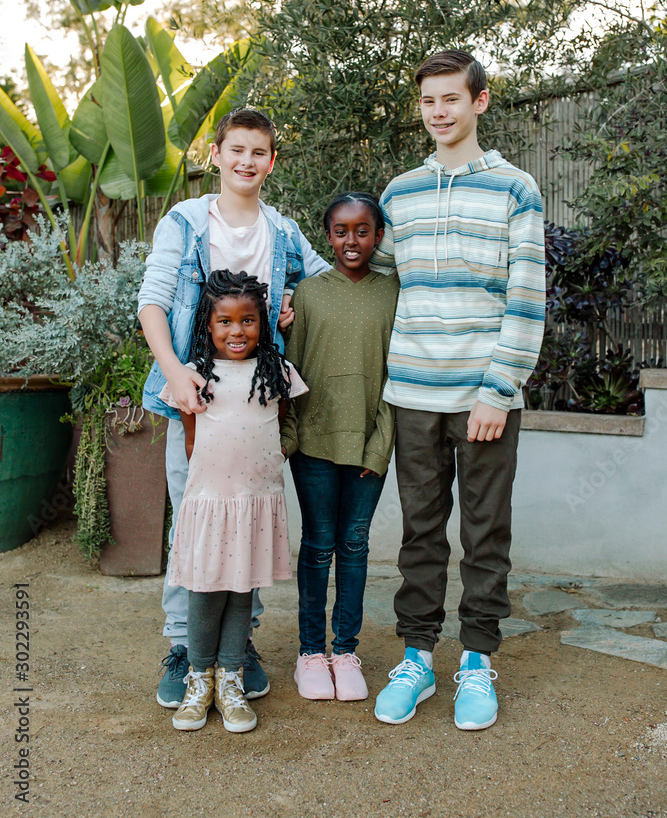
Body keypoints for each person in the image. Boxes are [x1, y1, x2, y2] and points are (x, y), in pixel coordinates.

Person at [371, 50, 545, 731]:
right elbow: (377, 280)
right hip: (411, 392)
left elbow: (526, 298)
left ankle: (476, 661)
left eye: (450, 98)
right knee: (418, 533)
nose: (437, 111)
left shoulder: (514, 189)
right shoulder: (399, 193)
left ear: (478, 101)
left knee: (484, 533)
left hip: (482, 399)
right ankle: (416, 658)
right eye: (427, 101)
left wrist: (497, 391)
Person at [138, 108, 328, 709]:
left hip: (258, 400)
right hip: (195, 398)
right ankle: (183, 647)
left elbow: (328, 280)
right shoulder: (186, 221)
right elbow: (153, 302)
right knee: (194, 523)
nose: (247, 161)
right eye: (236, 150)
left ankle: (237, 645)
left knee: (245, 516)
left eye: (259, 152)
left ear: (272, 162)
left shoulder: (283, 230)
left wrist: (294, 296)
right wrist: (177, 375)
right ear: (215, 154)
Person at [161, 269, 308, 732]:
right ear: (207, 325)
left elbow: (282, 420)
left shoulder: (277, 373)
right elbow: (190, 439)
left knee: (242, 590)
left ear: (263, 324)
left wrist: (274, 455)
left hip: (254, 503)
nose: (237, 331)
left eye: (248, 320)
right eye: (224, 321)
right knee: (204, 590)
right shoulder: (192, 377)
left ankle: (231, 678)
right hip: (210, 503)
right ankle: (198, 677)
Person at [281, 192, 399, 701]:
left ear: (378, 235)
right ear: (327, 235)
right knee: (317, 545)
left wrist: (380, 449)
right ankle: (310, 653)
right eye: (341, 231)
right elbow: (290, 370)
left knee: (354, 545)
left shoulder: (394, 293)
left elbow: (399, 378)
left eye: (362, 230)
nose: (352, 241)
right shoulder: (306, 294)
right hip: (313, 446)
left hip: (369, 444)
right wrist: (289, 440)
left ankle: (346, 651)